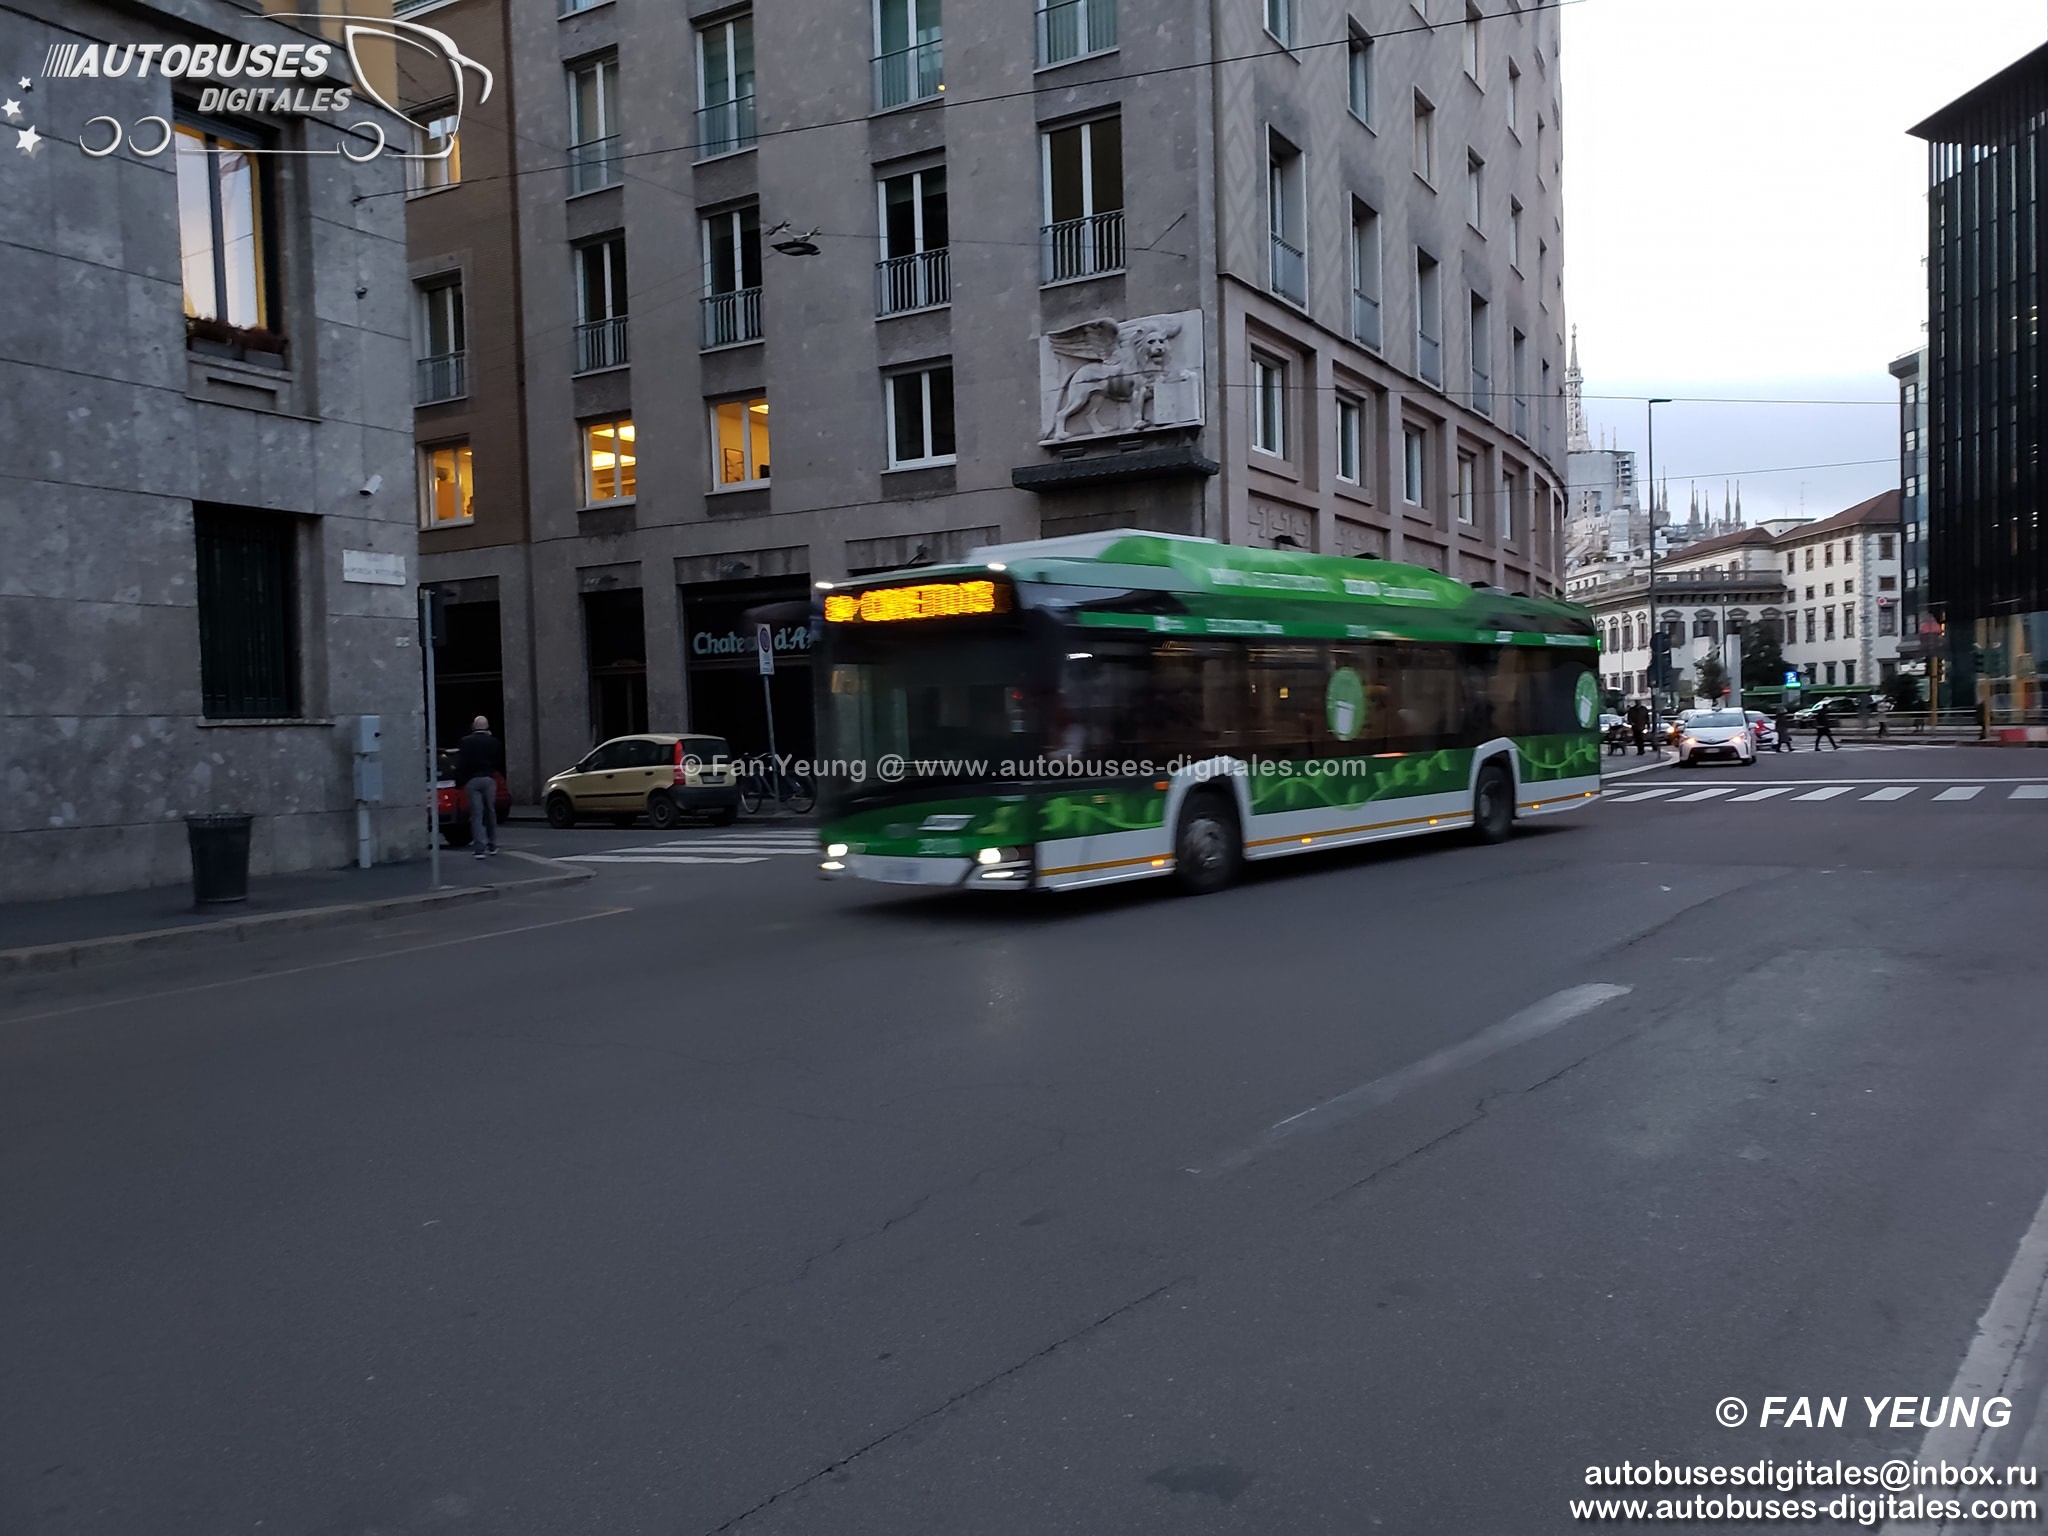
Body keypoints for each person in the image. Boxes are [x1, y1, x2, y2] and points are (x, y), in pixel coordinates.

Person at [452, 715, 505, 857]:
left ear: (474, 727)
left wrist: (459, 781)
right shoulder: (494, 742)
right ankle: (492, 844)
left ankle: (479, 848)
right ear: (487, 727)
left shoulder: (465, 742)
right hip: (488, 779)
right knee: (490, 811)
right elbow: (498, 760)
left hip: (472, 781)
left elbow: (461, 763)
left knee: (476, 814)